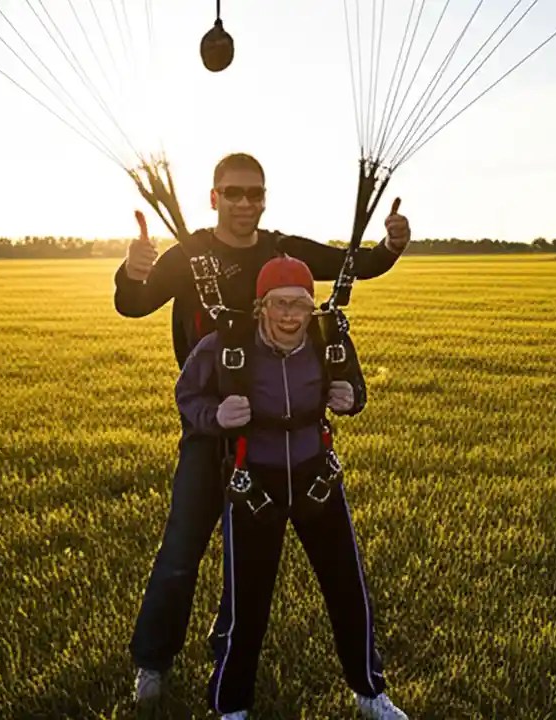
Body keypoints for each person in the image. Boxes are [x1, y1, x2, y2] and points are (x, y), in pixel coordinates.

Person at [114, 152, 411, 702]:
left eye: (255, 193)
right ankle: (153, 661)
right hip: (213, 426)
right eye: (233, 193)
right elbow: (133, 305)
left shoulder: (283, 251)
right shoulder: (190, 254)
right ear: (213, 197)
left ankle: (227, 656)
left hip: (277, 435)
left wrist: (390, 246)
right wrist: (131, 272)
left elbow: (353, 265)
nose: (245, 204)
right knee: (183, 547)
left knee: (244, 558)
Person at [176, 256, 408, 719]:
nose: (288, 316)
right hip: (252, 483)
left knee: (348, 588)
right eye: (279, 305)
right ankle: (232, 706)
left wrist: (352, 399)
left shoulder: (329, 341)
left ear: (311, 309)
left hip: (316, 478)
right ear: (261, 306)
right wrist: (215, 418)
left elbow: (355, 389)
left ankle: (369, 692)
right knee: (248, 603)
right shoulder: (225, 345)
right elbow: (188, 397)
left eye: (299, 306)